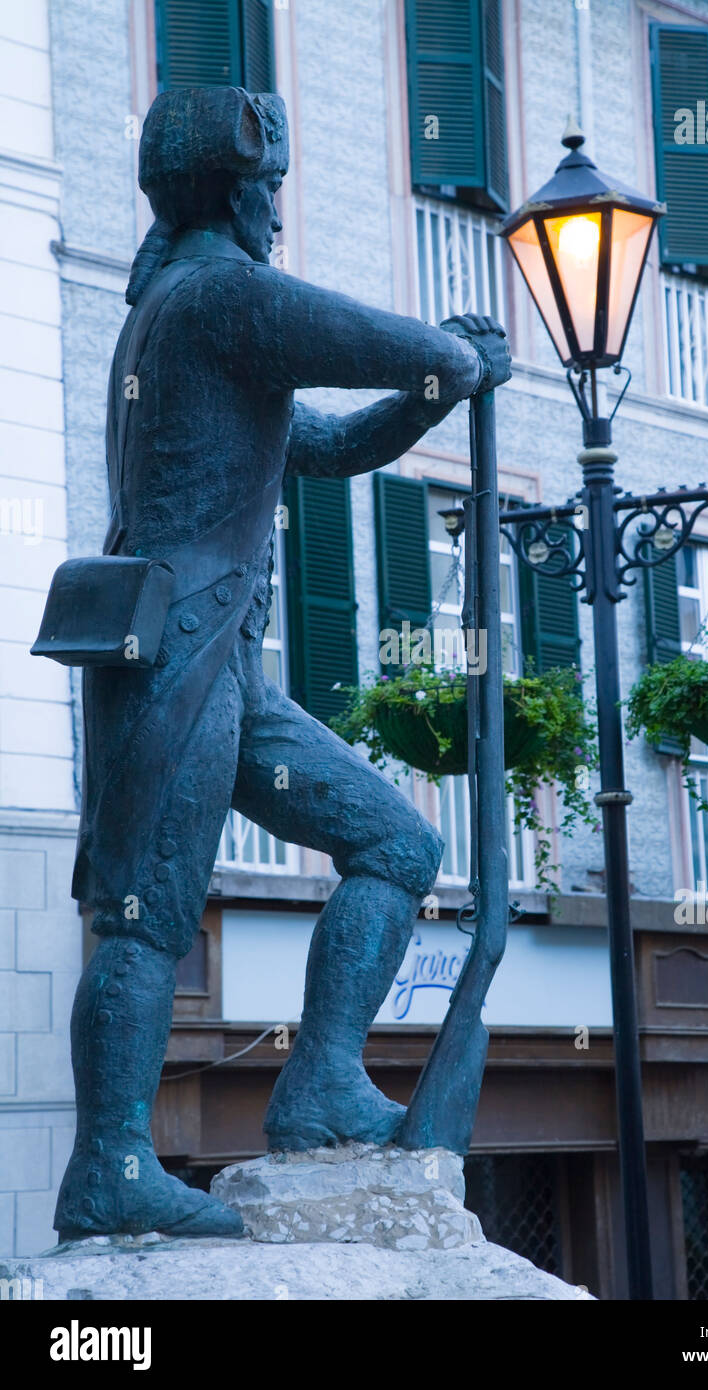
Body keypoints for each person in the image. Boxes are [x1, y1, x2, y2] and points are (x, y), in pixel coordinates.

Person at [53, 86, 511, 1240]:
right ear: (233, 189)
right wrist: (454, 359)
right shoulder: (218, 296)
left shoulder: (191, 318)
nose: (277, 214)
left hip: (220, 668)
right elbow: (388, 346)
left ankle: (316, 1086)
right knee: (146, 914)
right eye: (270, 190)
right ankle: (107, 1166)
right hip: (180, 652)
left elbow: (339, 441)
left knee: (397, 842)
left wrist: (438, 389)